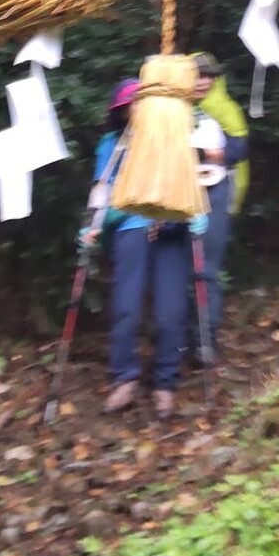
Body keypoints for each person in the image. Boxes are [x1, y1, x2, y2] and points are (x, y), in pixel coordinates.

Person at [82, 78, 198, 419]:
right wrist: (91, 223)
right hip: (130, 227)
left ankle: (165, 383)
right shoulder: (111, 144)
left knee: (170, 310)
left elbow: (192, 181)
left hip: (172, 228)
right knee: (126, 306)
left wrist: (195, 214)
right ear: (122, 113)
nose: (136, 112)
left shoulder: (173, 140)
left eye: (140, 105)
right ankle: (125, 378)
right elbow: (101, 189)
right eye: (129, 107)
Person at [190, 52, 249, 358]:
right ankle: (178, 337)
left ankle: (205, 339)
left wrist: (217, 154)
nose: (202, 81)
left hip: (216, 192)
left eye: (208, 75)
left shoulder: (227, 110)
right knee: (177, 266)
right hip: (180, 193)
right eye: (196, 75)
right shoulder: (175, 110)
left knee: (207, 267)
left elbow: (239, 149)